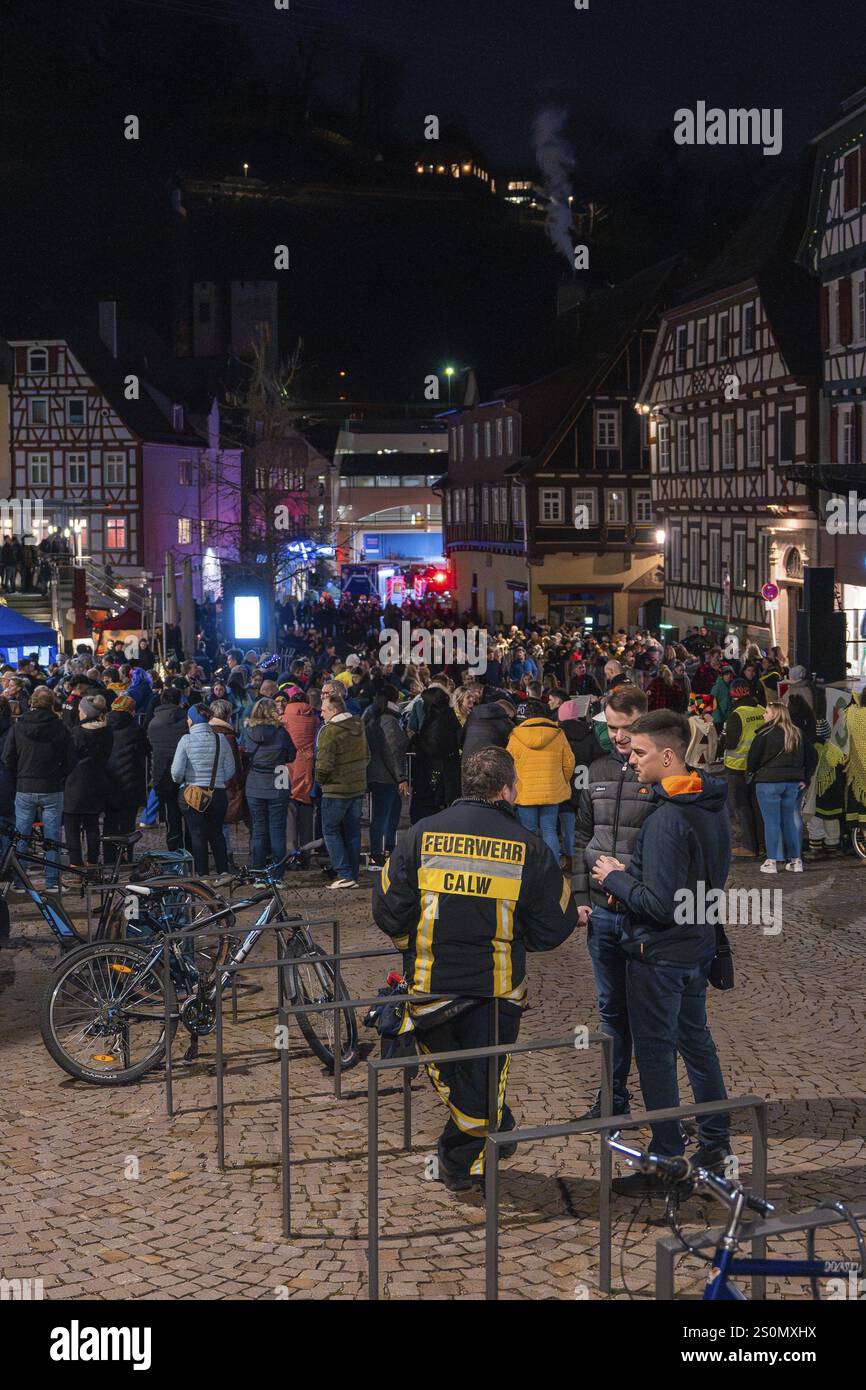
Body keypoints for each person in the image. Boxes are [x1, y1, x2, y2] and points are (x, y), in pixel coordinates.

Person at [372, 745, 577, 1191]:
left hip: (430, 989)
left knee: (462, 1086)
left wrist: (413, 947)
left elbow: (388, 907)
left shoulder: (422, 834)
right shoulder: (529, 847)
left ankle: (467, 1162)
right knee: (484, 1088)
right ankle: (472, 1154)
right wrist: (516, 933)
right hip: (497, 993)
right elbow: (555, 926)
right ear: (507, 789)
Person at [589, 710, 732, 1190]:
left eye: (640, 752)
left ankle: (669, 1158)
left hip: (660, 954)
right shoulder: (709, 803)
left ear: (669, 755)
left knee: (656, 1055)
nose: (630, 761)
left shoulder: (668, 818)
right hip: (697, 946)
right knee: (697, 1042)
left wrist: (616, 879)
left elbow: (661, 903)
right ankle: (715, 1142)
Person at [572, 684, 651, 1120]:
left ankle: (665, 1111)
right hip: (602, 914)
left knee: (653, 1017)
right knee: (610, 1013)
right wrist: (581, 896)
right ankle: (613, 1101)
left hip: (642, 915)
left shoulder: (655, 772)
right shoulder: (596, 770)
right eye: (611, 727)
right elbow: (582, 837)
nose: (618, 737)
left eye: (625, 728)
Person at [3, 685, 76, 894]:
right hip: (51, 786)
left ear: (32, 703)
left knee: (21, 835)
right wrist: (60, 774)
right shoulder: (60, 727)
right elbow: (71, 759)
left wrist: (20, 772)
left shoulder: (18, 727)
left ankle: (19, 882)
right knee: (52, 836)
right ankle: (52, 881)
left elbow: (8, 758)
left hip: (25, 786)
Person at [747, 700, 816, 874]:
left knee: (771, 822)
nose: (764, 715)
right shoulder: (797, 733)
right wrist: (805, 778)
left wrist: (752, 772)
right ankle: (796, 860)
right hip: (793, 783)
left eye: (767, 712)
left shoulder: (764, 734)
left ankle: (772, 861)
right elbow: (812, 756)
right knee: (791, 821)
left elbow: (752, 759)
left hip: (768, 782)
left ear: (775, 714)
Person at [506, 699, 575, 864]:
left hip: (525, 793)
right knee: (549, 831)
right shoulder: (558, 734)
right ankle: (554, 869)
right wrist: (561, 782)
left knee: (527, 831)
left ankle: (529, 867)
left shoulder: (515, 736)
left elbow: (508, 765)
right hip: (552, 792)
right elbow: (569, 763)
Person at [171, 704, 236, 880]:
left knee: (197, 835)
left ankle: (203, 875)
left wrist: (183, 781)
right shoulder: (220, 739)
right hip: (218, 792)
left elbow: (176, 772)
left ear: (191, 720)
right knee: (216, 832)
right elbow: (230, 769)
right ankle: (223, 871)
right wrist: (218, 778)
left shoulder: (186, 740)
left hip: (193, 792)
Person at [315, 691, 370, 889]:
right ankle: (352, 874)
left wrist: (320, 781)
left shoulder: (329, 731)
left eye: (323, 710)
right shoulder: (359, 726)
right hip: (356, 788)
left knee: (330, 831)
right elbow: (367, 756)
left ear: (334, 710)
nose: (321, 715)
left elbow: (324, 764)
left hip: (336, 790)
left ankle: (344, 873)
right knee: (353, 832)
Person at [242, 698, 296, 880]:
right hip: (277, 783)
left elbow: (245, 754)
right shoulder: (281, 733)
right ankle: (276, 876)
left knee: (258, 830)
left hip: (255, 784)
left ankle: (258, 873)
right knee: (277, 830)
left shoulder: (248, 732)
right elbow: (292, 755)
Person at [363, 685, 409, 867]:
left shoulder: (370, 717)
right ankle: (378, 853)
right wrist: (401, 777)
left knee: (385, 814)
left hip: (374, 773)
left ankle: (386, 849)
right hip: (385, 775)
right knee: (383, 816)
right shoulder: (389, 721)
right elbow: (392, 751)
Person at [64, 695, 113, 867]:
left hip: (75, 784)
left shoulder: (77, 733)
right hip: (97, 782)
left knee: (72, 827)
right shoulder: (107, 731)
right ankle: (93, 861)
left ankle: (76, 863)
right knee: (92, 825)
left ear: (85, 712)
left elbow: (68, 758)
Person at [723, 677, 765, 860]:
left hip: (737, 767)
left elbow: (730, 743)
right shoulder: (763, 711)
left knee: (741, 807)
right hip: (758, 768)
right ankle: (761, 844)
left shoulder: (737, 715)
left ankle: (749, 846)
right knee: (757, 807)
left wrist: (720, 740)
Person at [408, 684, 461, 824]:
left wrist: (415, 739)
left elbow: (433, 748)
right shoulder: (448, 717)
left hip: (434, 775)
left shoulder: (437, 722)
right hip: (445, 773)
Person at [103, 694, 148, 858]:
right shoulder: (135, 728)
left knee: (110, 821)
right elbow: (146, 749)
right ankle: (127, 854)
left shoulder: (105, 725)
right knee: (128, 823)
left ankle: (109, 856)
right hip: (131, 782)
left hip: (109, 780)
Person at [146, 687, 190, 851]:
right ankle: (190, 854)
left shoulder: (153, 723)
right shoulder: (185, 720)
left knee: (172, 818)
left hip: (162, 773)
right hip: (185, 773)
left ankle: (175, 855)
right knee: (189, 816)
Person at [281, 688, 319, 862]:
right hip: (307, 767)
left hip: (288, 768)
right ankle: (306, 854)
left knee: (288, 811)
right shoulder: (314, 719)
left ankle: (289, 854)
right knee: (306, 812)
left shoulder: (283, 719)